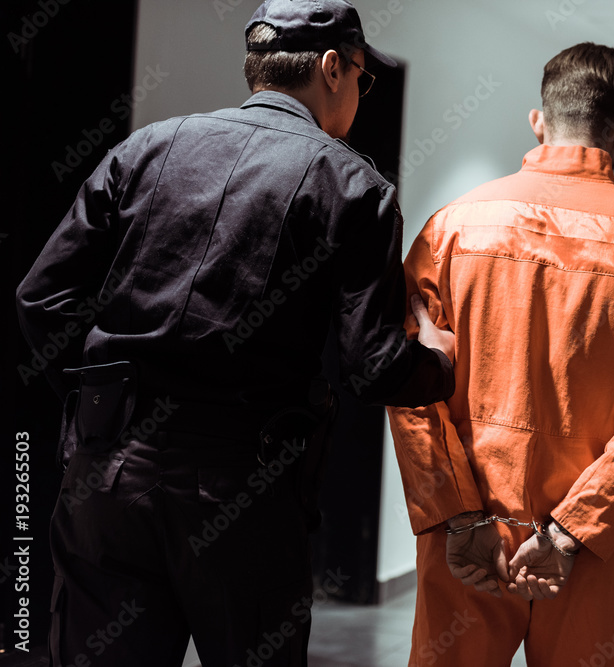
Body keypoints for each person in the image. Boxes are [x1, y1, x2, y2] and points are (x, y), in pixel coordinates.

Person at [15, 1, 455, 665]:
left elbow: (41, 296)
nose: (361, 96)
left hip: (106, 476)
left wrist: (106, 400)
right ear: (334, 68)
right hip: (243, 491)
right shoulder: (355, 187)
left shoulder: (146, 147)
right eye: (363, 79)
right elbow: (374, 366)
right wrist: (438, 361)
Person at [387, 42, 614, 666]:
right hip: (588, 544)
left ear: (539, 119)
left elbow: (409, 387)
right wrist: (570, 530)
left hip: (471, 532)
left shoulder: (452, 229)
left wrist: (457, 516)